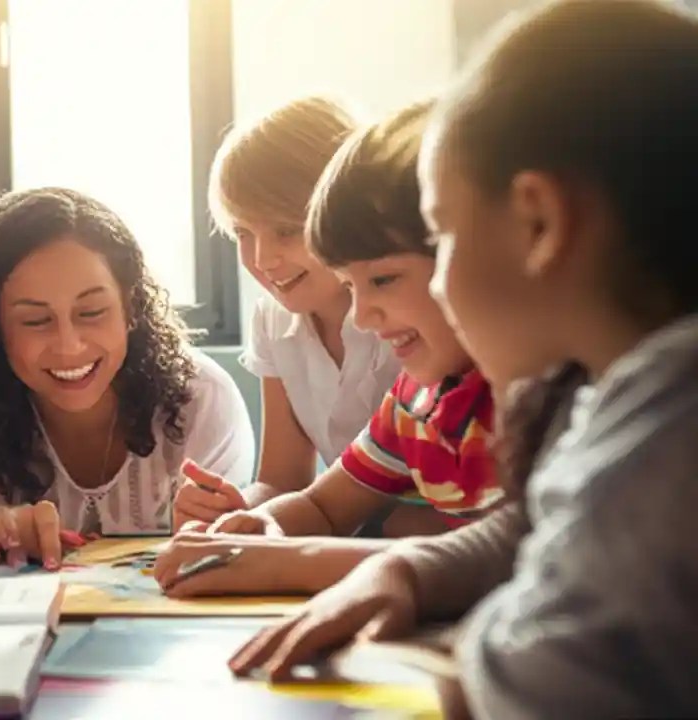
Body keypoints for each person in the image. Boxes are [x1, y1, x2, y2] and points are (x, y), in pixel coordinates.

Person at [230, 2, 698, 716]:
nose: (440, 280)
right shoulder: (617, 401)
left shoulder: (664, 447)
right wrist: (410, 570)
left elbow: (532, 688)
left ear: (539, 223)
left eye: (442, 236)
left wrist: (452, 657)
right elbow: (527, 530)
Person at [154, 102, 501, 597]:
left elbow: (504, 555)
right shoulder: (410, 402)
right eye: (241, 234)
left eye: (382, 279)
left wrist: (289, 559)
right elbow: (314, 501)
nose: (363, 316)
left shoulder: (527, 394)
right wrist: (258, 528)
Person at [0, 187, 256, 565]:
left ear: (130, 307)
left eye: (92, 312)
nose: (69, 346)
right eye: (36, 320)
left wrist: (209, 529)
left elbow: (223, 551)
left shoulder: (200, 399)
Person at [172, 96, 405, 534]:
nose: (263, 259)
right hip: (345, 536)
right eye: (243, 232)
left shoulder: (410, 321)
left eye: (286, 230)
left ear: (346, 211)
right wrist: (237, 511)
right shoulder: (273, 322)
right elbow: (281, 481)